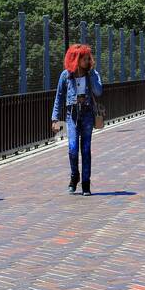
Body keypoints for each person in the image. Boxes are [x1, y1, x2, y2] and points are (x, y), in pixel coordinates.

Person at [51, 43, 104, 195]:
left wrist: (92, 73)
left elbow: (98, 92)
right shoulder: (66, 75)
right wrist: (55, 118)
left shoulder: (92, 74)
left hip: (87, 114)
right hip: (71, 115)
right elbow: (59, 97)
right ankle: (75, 176)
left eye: (89, 58)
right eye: (85, 58)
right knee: (73, 149)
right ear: (75, 59)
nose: (88, 60)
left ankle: (86, 183)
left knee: (86, 150)